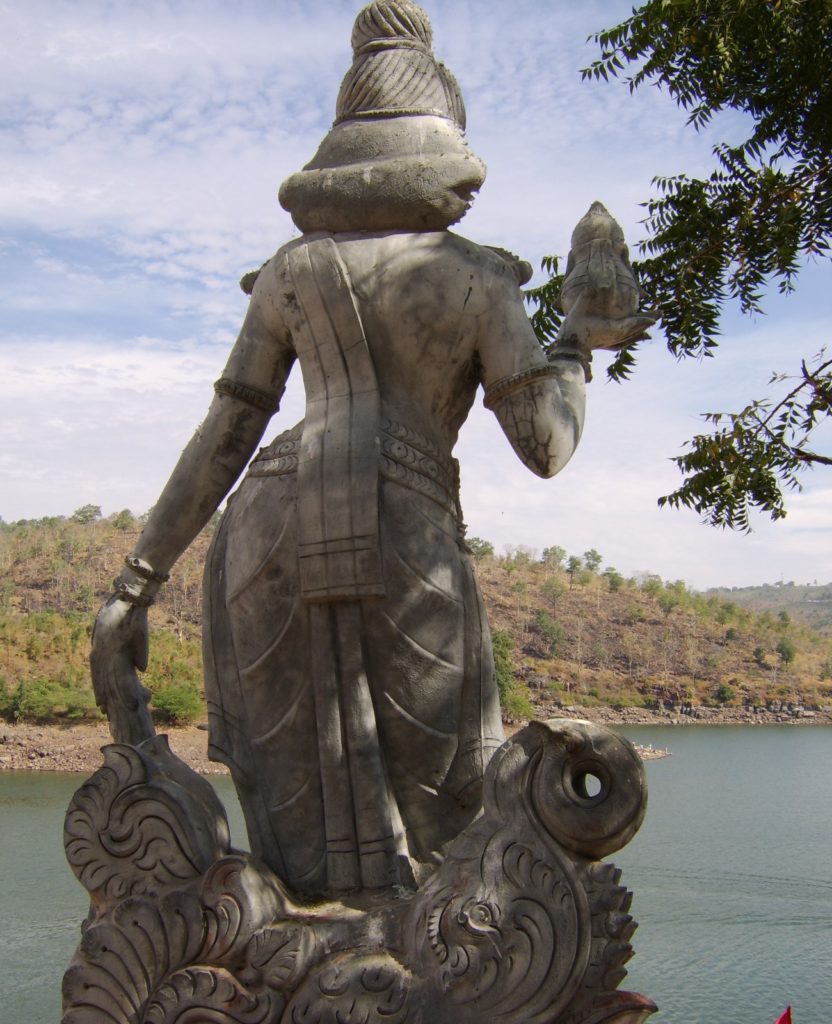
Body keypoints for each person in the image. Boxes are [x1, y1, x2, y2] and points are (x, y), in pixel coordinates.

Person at [91, 0, 651, 897]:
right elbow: (547, 446)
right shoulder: (476, 276)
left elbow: (232, 428)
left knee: (297, 848)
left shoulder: (288, 273)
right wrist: (578, 343)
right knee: (439, 841)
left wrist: (135, 585)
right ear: (444, 148)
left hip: (269, 520)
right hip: (404, 519)